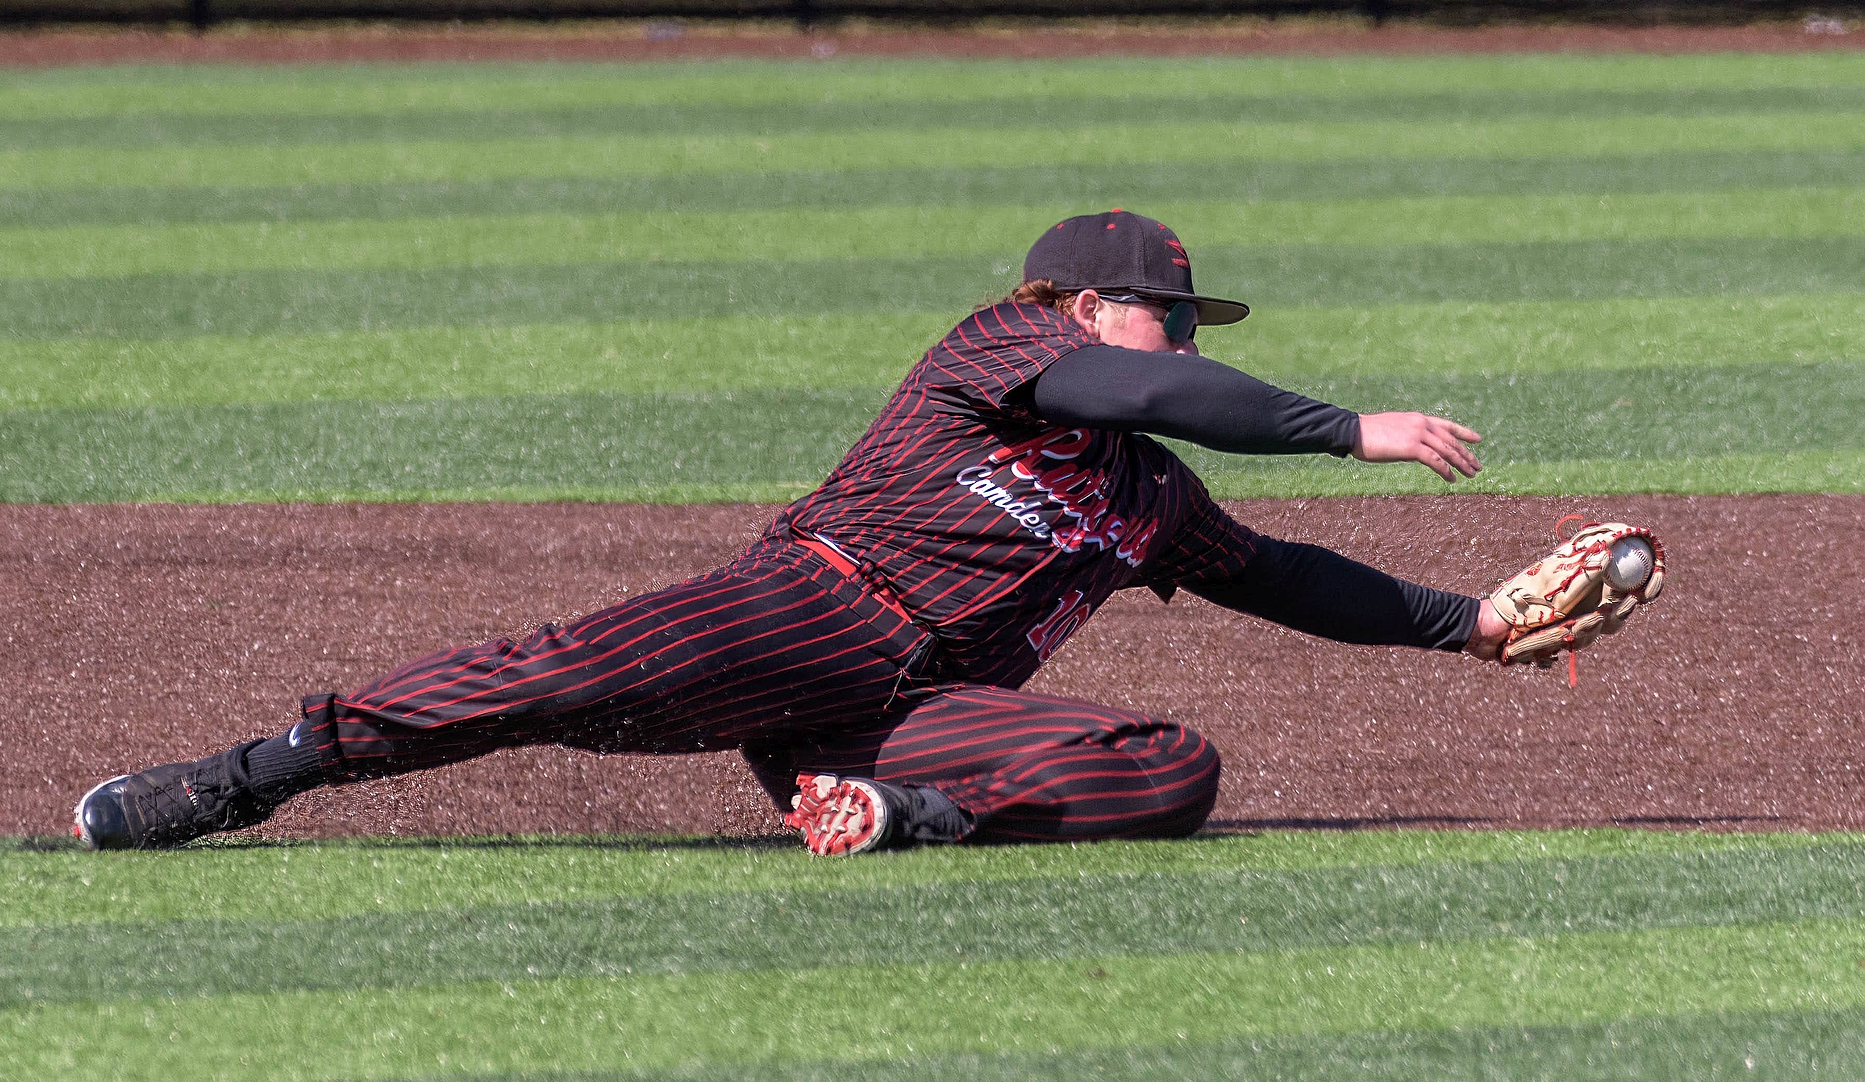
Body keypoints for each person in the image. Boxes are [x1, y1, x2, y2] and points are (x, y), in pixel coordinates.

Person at [74, 209, 1510, 856]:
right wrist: (1349, 427)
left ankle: (894, 814)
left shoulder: (1149, 497)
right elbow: (1155, 389)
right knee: (548, 675)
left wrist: (1471, 622)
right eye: (1171, 311)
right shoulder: (1003, 347)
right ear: (1083, 307)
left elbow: (1282, 577)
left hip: (910, 712)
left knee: (1174, 772)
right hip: (816, 607)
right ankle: (252, 774)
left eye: (1194, 322)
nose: (1185, 334)